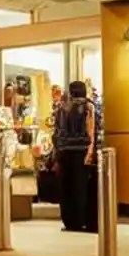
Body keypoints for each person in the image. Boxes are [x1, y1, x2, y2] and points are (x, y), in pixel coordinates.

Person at [53, 80, 97, 233]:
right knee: (81, 188)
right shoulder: (87, 107)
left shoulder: (61, 108)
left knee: (66, 188)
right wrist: (90, 152)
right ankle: (81, 220)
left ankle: (69, 221)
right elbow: (90, 130)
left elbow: (57, 133)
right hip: (81, 151)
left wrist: (57, 154)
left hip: (64, 152)